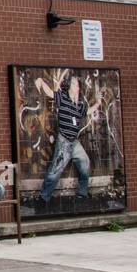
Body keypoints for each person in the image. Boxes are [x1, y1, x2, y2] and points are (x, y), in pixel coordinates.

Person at [33, 72, 100, 204]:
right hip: (64, 142)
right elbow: (50, 93)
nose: (77, 87)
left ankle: (82, 193)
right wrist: (41, 81)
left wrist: (98, 102)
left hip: (74, 142)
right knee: (55, 171)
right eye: (74, 85)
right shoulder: (63, 98)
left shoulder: (79, 105)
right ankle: (43, 197)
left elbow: (87, 112)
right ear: (69, 87)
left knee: (85, 163)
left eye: (78, 85)